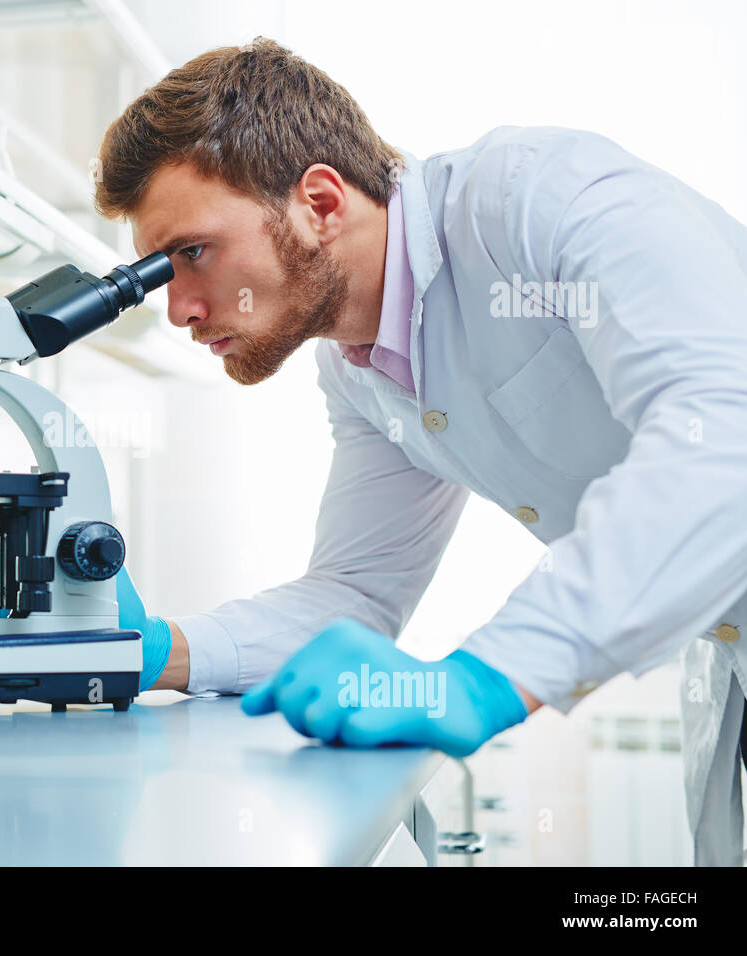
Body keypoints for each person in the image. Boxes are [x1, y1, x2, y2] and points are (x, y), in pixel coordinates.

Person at [99, 38, 747, 866]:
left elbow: (724, 433)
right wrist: (158, 650)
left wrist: (484, 677)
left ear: (321, 204)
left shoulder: (539, 201)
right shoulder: (362, 374)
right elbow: (356, 591)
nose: (180, 309)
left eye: (191, 253)